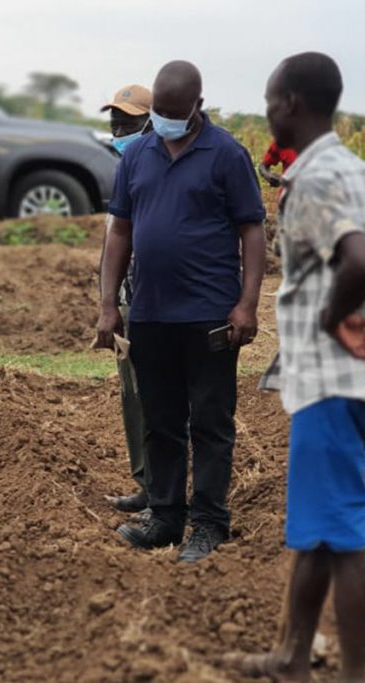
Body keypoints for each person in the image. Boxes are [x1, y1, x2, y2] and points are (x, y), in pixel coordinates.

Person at [226, 52, 365, 683]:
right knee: (319, 528)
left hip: (332, 383)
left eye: (268, 101)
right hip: (344, 381)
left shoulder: (315, 179)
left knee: (345, 535)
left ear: (290, 104)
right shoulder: (350, 168)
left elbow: (358, 259)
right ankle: (289, 657)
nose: (266, 113)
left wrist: (333, 319)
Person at [95, 60, 267, 563]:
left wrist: (247, 304)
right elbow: (120, 231)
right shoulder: (137, 155)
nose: (166, 121)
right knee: (161, 420)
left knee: (210, 422)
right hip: (151, 313)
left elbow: (252, 230)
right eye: (161, 113)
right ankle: (166, 517)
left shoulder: (226, 153)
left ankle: (208, 522)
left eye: (174, 112)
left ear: (198, 105)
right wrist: (108, 304)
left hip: (210, 314)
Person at [98, 84, 152, 515]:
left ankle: (169, 491)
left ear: (150, 122)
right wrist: (109, 301)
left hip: (158, 302)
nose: (118, 129)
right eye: (115, 120)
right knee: (132, 397)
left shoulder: (155, 167)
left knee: (159, 400)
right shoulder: (122, 167)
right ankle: (148, 484)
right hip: (128, 298)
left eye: (128, 121)